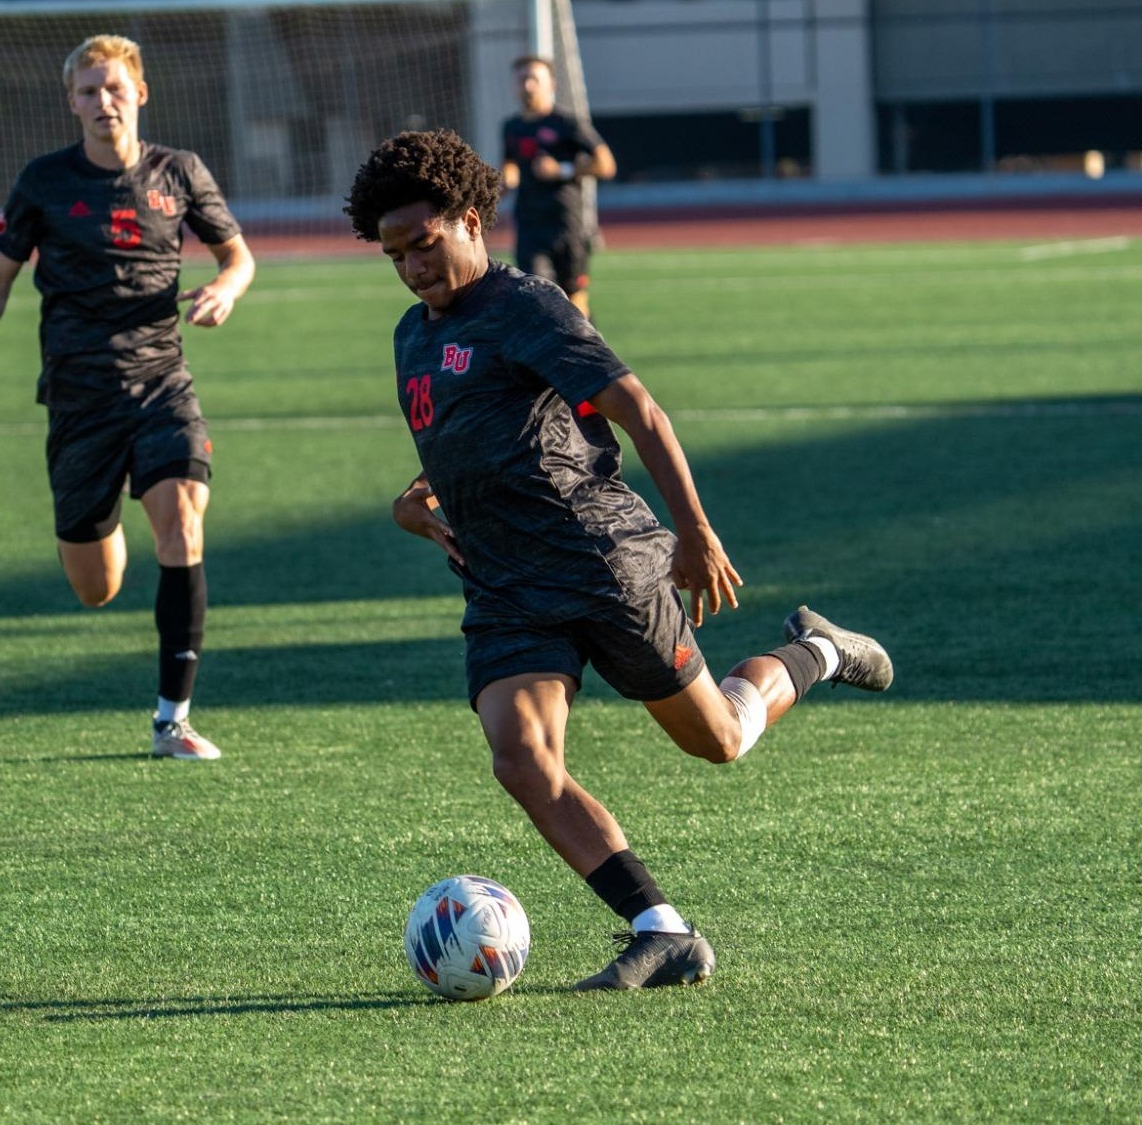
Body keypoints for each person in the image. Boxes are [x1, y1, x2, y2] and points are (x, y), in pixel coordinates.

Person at [345, 130, 892, 991]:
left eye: (425, 243)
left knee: (720, 739)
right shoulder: (413, 336)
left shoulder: (526, 305)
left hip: (601, 560)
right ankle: (661, 926)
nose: (413, 266)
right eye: (394, 254)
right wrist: (414, 502)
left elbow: (637, 407)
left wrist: (695, 532)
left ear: (473, 221)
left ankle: (816, 649)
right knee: (521, 759)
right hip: (504, 584)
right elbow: (464, 434)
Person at [0, 34, 256, 761]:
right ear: (71, 103)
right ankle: (102, 526)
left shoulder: (179, 172)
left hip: (162, 382)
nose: (101, 101)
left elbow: (237, 254)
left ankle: (170, 720)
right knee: (97, 585)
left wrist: (224, 287)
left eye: (113, 87)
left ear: (139, 93)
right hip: (80, 399)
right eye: (87, 91)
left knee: (182, 518)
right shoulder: (44, 181)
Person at [499, 55, 615, 319]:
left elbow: (606, 165)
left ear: (550, 84)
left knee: (574, 304)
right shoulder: (511, 127)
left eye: (534, 79)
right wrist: (505, 179)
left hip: (567, 226)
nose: (527, 85)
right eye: (522, 79)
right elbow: (510, 164)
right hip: (530, 227)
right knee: (540, 295)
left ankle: (589, 351)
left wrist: (562, 169)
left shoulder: (566, 123)